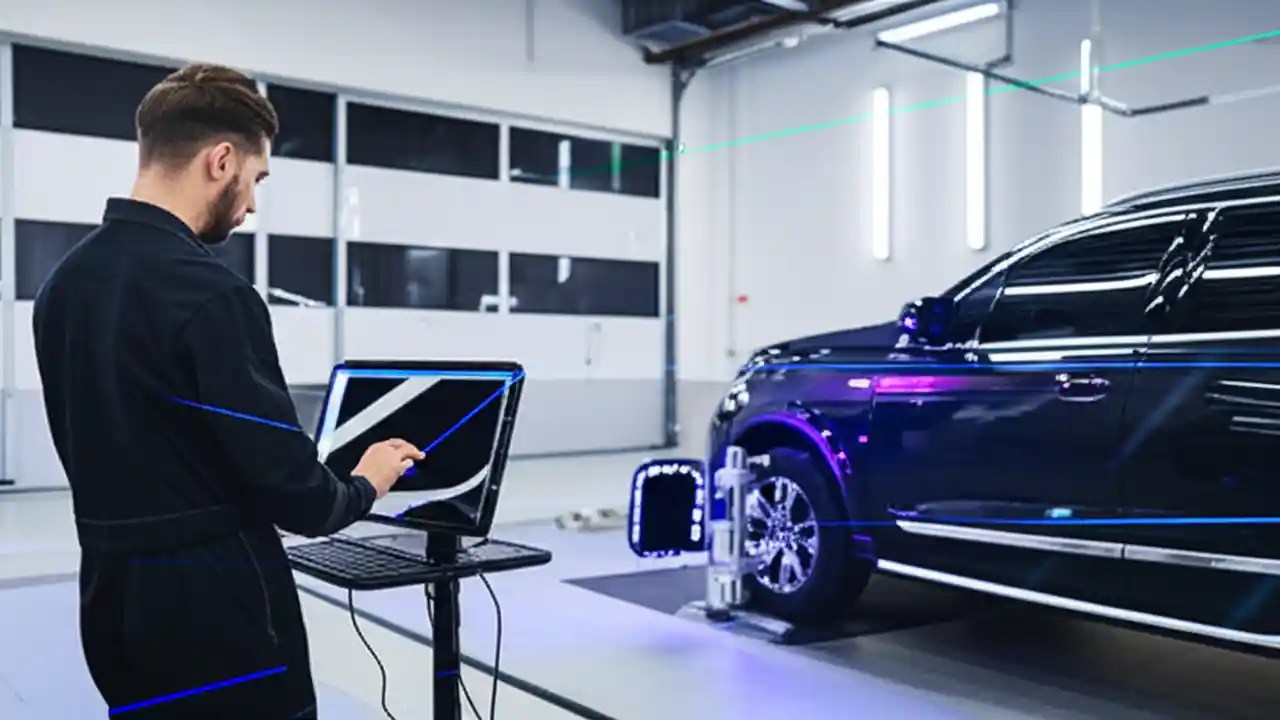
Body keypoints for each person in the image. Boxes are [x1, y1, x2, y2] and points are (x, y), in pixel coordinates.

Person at [31, 63, 423, 718]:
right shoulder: (210, 295)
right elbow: (297, 495)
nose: (251, 205)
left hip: (111, 607)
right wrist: (365, 481)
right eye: (256, 178)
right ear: (221, 159)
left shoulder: (64, 287)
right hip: (217, 619)